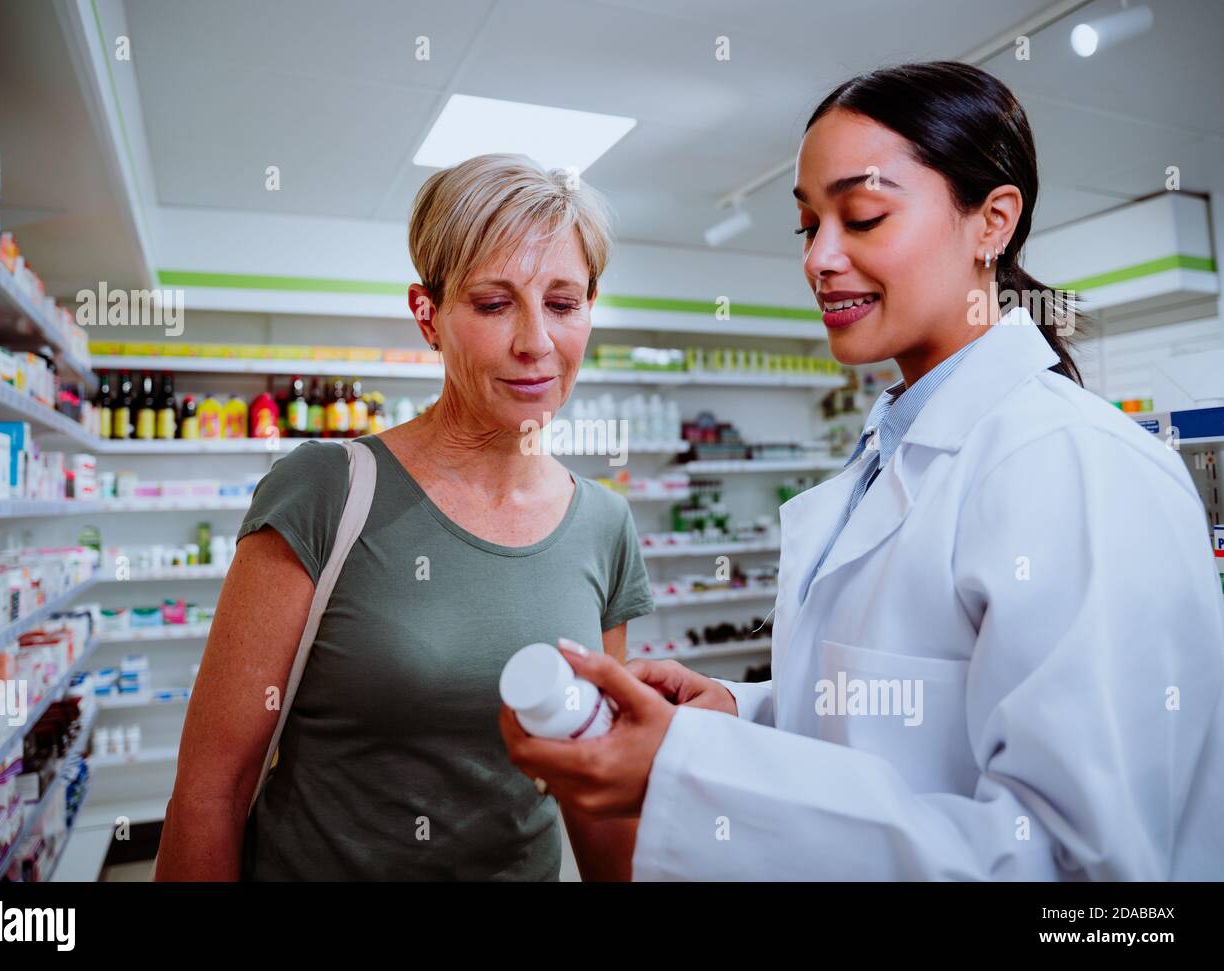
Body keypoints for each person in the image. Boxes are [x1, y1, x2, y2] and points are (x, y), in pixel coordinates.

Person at [501, 62, 1224, 880]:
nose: (820, 259)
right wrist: (738, 711)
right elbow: (910, 721)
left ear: (992, 222)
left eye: (865, 215)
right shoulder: (892, 452)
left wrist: (699, 773)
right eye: (809, 226)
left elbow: (1083, 876)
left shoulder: (1080, 468)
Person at [156, 154, 653, 880]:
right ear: (428, 316)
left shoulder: (605, 524)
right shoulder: (326, 489)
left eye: (563, 302)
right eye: (492, 303)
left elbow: (590, 782)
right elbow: (210, 790)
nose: (535, 342)